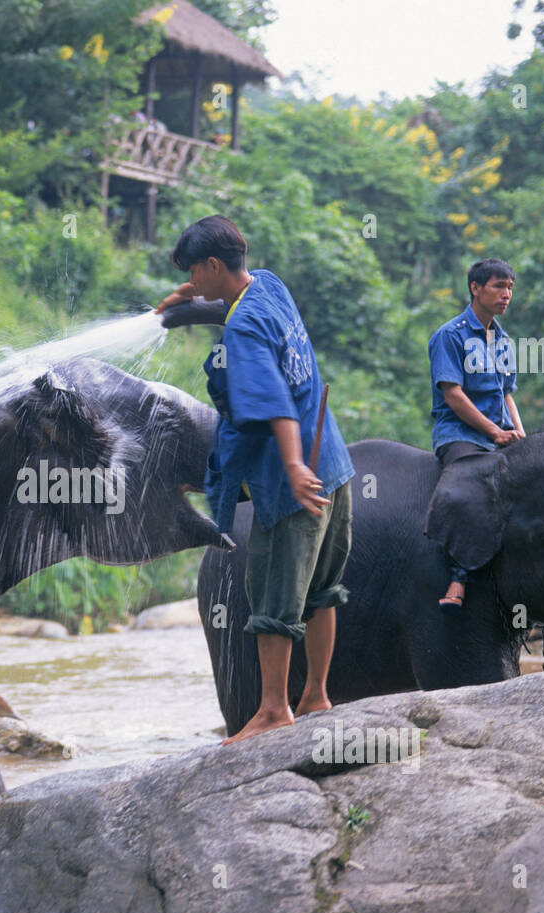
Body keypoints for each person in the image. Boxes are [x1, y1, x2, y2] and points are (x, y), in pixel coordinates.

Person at [157, 216, 354, 743]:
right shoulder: (268, 285)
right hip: (332, 463)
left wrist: (291, 468)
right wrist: (186, 306)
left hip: (290, 478)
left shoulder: (241, 332)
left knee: (274, 596)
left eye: (195, 272)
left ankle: (273, 710)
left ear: (215, 264)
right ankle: (315, 696)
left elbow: (276, 407)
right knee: (321, 590)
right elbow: (228, 305)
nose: (193, 281)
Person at [428, 258, 525, 612]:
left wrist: (519, 433)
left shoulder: (503, 340)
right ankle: (458, 578)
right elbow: (453, 394)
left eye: (510, 287)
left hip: (499, 433)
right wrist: (494, 433)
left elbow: (506, 394)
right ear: (475, 288)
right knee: (471, 486)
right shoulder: (448, 337)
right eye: (499, 286)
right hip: (460, 435)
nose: (506, 294)